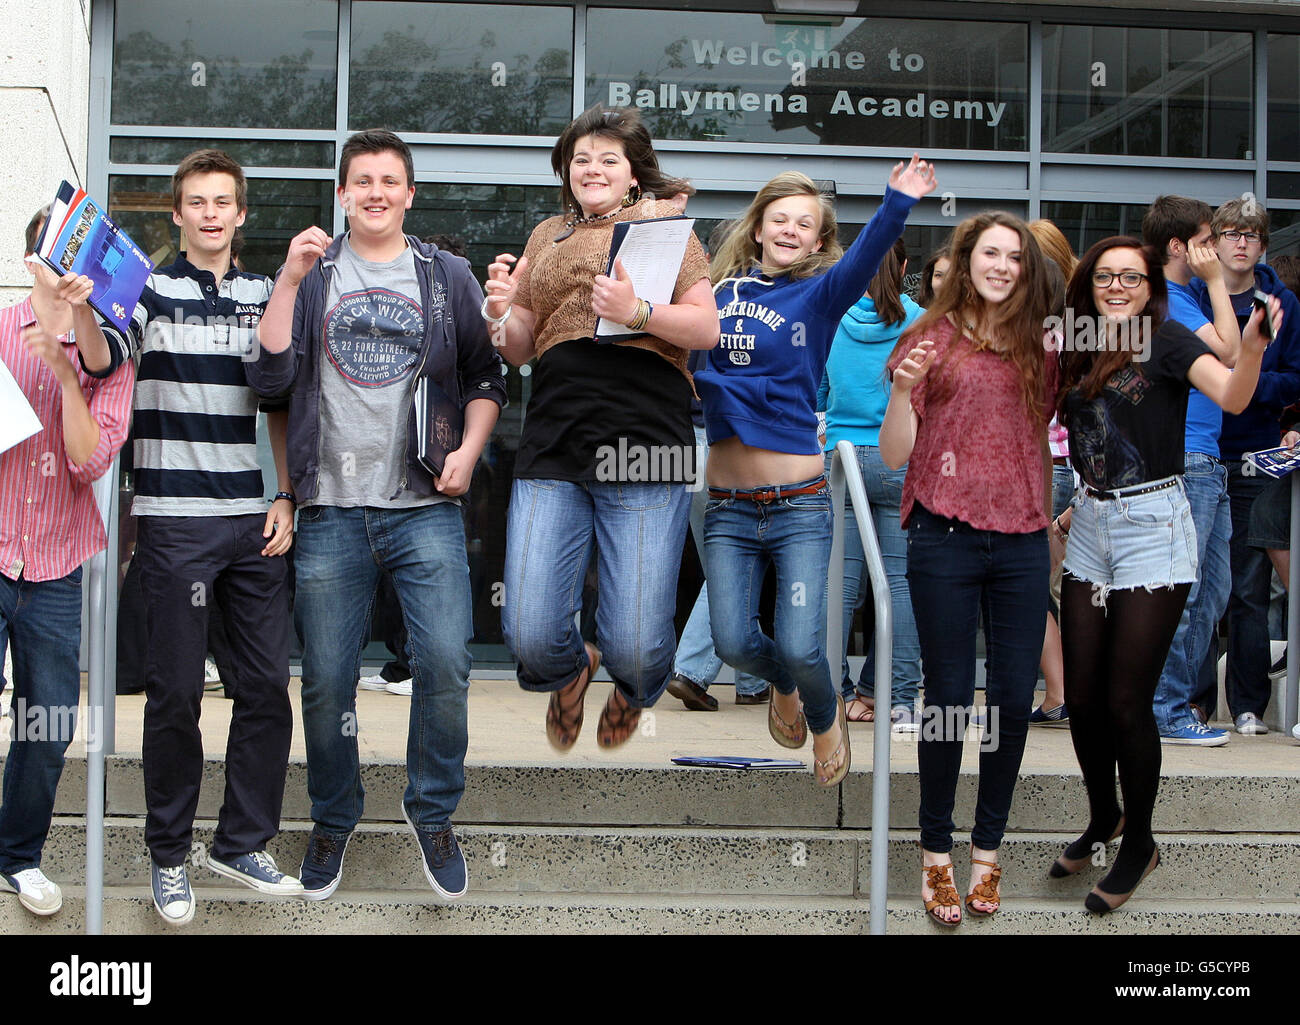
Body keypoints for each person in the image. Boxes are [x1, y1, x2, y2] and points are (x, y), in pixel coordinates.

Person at [250, 129, 506, 901]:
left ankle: (431, 809)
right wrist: (289, 282)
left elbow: (488, 374)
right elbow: (269, 380)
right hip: (330, 509)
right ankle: (334, 817)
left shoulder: (444, 275)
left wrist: (468, 448)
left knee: (446, 665)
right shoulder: (314, 274)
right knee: (327, 680)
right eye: (362, 180)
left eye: (389, 180)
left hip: (423, 505)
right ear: (342, 192)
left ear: (410, 193)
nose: (375, 192)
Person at [87, 150, 303, 924]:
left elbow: (278, 400)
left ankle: (240, 841)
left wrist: (286, 493)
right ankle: (169, 853)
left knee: (266, 690)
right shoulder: (149, 289)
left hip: (252, 523)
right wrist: (83, 308)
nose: (211, 213)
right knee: (175, 695)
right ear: (176, 215)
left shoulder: (264, 294)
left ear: (241, 213)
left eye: (224, 201)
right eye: (196, 202)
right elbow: (104, 356)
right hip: (174, 523)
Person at [697, 155, 937, 788]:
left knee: (804, 644)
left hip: (799, 503)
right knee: (731, 643)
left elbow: (867, 257)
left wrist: (897, 202)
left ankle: (826, 720)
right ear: (757, 228)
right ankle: (781, 685)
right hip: (726, 504)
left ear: (819, 238)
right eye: (779, 218)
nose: (790, 230)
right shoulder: (715, 295)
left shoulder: (823, 293)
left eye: (806, 223)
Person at [1052, 236, 1276, 913]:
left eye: (1132, 276)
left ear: (1152, 285)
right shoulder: (1073, 342)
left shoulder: (1170, 340)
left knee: (1127, 699)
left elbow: (1233, 396)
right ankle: (1104, 814)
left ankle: (1139, 840)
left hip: (1155, 528)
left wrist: (1257, 346)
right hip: (1090, 525)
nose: (1117, 285)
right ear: (1088, 284)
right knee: (1082, 697)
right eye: (1105, 276)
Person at [484, 106, 718, 750]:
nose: (593, 168)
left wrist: (638, 311)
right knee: (529, 632)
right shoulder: (546, 237)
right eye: (582, 158)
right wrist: (500, 312)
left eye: (609, 159)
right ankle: (569, 669)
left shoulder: (669, 232)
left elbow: (707, 330)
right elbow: (521, 348)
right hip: (556, 435)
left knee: (639, 645)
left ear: (633, 174)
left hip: (647, 440)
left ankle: (634, 688)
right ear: (567, 169)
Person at [880, 210, 1055, 926]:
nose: (1004, 266)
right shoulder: (927, 336)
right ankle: (934, 856)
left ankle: (988, 852)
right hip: (943, 533)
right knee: (949, 695)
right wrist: (900, 392)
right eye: (991, 253)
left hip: (1021, 536)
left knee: (1013, 699)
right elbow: (894, 455)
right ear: (966, 258)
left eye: (1015, 256)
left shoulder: (1044, 344)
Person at [0, 206, 133, 917]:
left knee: (46, 723)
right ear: (37, 257)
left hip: (54, 562)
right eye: (65, 249)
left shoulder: (110, 356)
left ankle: (16, 856)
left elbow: (87, 461)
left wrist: (62, 365)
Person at [1192, 199, 1300, 734]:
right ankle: (1195, 701)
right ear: (1215, 242)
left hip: (1256, 454)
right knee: (1198, 586)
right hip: (1199, 451)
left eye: (1250, 235)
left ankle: (1250, 705)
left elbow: (1295, 378)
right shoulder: (1192, 294)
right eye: (1230, 233)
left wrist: (1246, 380)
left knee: (1248, 587)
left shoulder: (1281, 301)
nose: (1240, 243)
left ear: (1262, 244)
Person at [1142, 195, 1242, 747]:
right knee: (1185, 588)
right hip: (1189, 461)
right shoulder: (1170, 303)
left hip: (1207, 459)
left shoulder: (1188, 295)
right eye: (1208, 238)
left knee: (1212, 590)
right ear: (1180, 246)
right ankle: (1165, 707)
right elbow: (1227, 353)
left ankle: (1173, 703)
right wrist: (1219, 282)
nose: (1219, 248)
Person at [817, 237, 924, 731]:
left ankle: (832, 696)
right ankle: (895, 698)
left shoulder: (832, 315)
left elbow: (820, 389)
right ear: (903, 266)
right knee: (900, 582)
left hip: (838, 460)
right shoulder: (921, 320)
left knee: (838, 584)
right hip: (899, 457)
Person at [669, 219, 773, 711]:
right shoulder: (757, 306)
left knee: (727, 566)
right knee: (736, 565)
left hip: (686, 445)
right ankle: (691, 668)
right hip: (731, 445)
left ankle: (750, 682)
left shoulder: (689, 301)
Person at [1027, 218, 1079, 728]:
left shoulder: (1034, 331)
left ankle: (1059, 693)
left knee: (1032, 593)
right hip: (1071, 472)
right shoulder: (1079, 328)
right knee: (1062, 592)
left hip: (1044, 468)